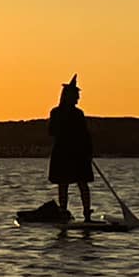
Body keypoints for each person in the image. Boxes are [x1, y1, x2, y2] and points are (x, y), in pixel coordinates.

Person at [47, 75, 93, 220]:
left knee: (80, 184)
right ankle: (64, 212)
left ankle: (86, 214)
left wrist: (88, 151)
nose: (78, 99)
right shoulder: (57, 112)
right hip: (64, 152)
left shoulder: (78, 114)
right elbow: (52, 131)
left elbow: (85, 135)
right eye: (76, 96)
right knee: (65, 184)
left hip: (78, 153)